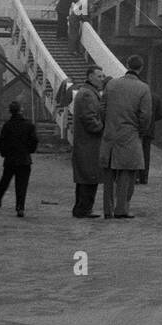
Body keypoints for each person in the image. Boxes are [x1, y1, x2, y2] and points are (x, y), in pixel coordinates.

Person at [100, 55, 153, 219]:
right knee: (127, 174)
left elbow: (102, 108)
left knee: (108, 174)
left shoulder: (111, 84)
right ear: (141, 68)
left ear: (126, 65)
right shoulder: (143, 88)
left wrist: (108, 123)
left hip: (110, 134)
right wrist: (140, 132)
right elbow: (145, 116)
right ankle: (121, 209)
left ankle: (107, 210)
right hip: (130, 135)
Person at [0, 100, 38, 217]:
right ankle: (20, 207)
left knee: (4, 182)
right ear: (21, 110)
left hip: (10, 159)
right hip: (24, 159)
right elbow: (34, 141)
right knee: (22, 185)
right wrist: (29, 151)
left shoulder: (7, 125)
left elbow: (1, 142)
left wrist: (4, 154)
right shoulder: (29, 125)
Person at [71, 66, 106, 217]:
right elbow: (89, 118)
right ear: (90, 77)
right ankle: (84, 209)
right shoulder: (88, 94)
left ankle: (81, 208)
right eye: (99, 76)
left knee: (85, 177)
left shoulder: (86, 92)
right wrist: (101, 129)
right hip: (89, 143)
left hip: (86, 142)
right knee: (89, 177)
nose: (102, 79)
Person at [138, 92, 162, 185]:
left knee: (136, 152)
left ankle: (135, 176)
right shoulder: (155, 97)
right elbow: (161, 114)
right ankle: (144, 177)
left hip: (136, 128)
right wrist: (152, 119)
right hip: (149, 129)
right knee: (146, 153)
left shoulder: (137, 94)